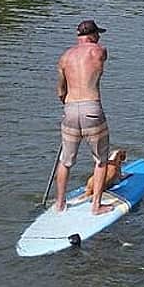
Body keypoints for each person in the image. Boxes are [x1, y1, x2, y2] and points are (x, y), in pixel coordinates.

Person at [55, 19, 113, 215]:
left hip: (70, 109)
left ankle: (60, 203)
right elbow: (99, 61)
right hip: (91, 108)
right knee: (101, 160)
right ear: (94, 35)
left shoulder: (64, 57)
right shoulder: (98, 50)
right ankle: (96, 206)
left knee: (66, 161)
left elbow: (60, 92)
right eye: (98, 35)